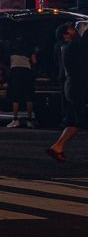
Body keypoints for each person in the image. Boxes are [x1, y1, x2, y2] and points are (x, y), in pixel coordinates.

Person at [49, 22, 88, 162]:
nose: (74, 30)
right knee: (81, 120)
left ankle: (57, 147)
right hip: (78, 88)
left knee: (73, 121)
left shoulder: (64, 47)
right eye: (71, 29)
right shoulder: (73, 46)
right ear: (65, 35)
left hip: (71, 88)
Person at [6, 40, 38, 128]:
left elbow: (7, 61)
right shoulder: (30, 48)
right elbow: (34, 61)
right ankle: (29, 120)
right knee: (29, 96)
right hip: (27, 72)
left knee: (16, 96)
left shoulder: (11, 49)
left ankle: (15, 119)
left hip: (15, 72)